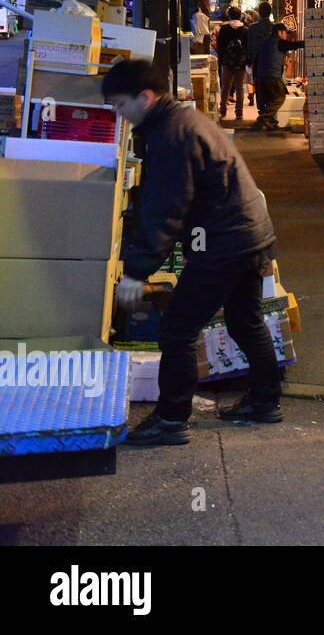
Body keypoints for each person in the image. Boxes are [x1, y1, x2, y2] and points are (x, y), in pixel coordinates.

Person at [103, 59, 283, 446]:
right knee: (245, 320)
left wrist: (136, 271)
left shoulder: (171, 134)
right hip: (247, 233)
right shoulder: (185, 118)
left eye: (120, 104)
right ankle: (266, 401)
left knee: (178, 329)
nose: (118, 114)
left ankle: (171, 419)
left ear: (145, 98)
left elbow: (166, 209)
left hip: (224, 242)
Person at [251, 22, 306, 130]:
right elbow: (294, 45)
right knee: (280, 97)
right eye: (285, 33)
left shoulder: (264, 43)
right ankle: (265, 118)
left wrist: (255, 78)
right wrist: (311, 40)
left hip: (261, 76)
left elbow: (256, 61)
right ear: (279, 32)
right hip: (272, 76)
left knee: (271, 100)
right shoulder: (279, 42)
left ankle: (272, 122)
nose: (286, 36)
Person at [215, 6, 248, 122]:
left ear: (229, 16)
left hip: (227, 62)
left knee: (225, 87)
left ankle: (223, 109)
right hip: (240, 63)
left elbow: (220, 47)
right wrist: (247, 61)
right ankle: (239, 112)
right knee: (239, 88)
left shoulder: (224, 29)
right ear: (240, 16)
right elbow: (247, 47)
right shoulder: (245, 30)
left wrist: (222, 59)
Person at [245, 2, 275, 109]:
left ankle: (261, 110)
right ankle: (270, 110)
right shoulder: (275, 27)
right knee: (271, 86)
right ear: (270, 12)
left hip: (257, 62)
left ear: (259, 13)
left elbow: (249, 46)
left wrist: (249, 60)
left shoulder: (252, 28)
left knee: (259, 86)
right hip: (272, 62)